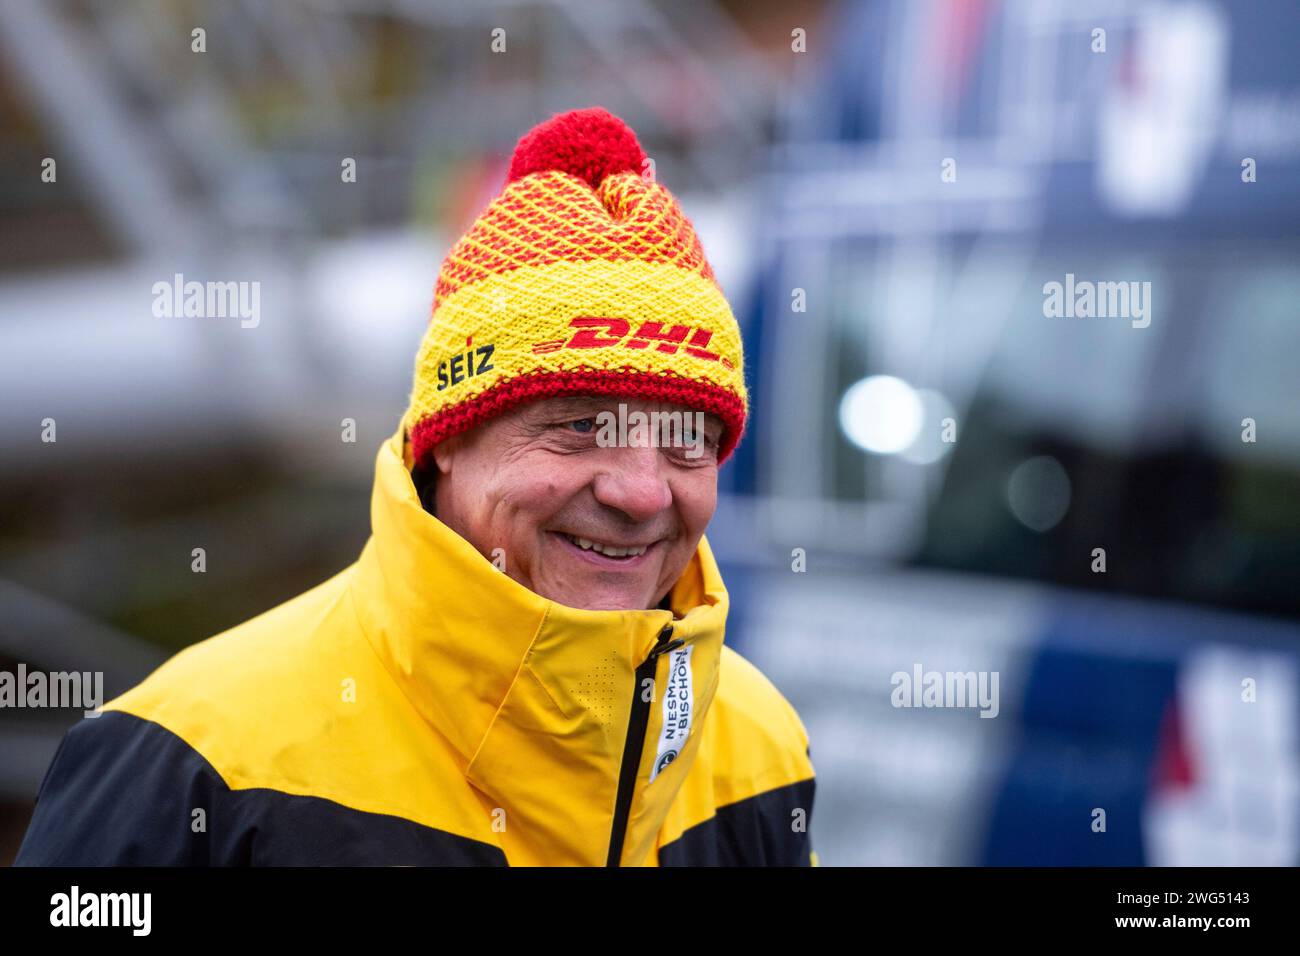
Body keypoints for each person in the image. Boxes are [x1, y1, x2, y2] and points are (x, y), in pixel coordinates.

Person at [15, 107, 817, 866]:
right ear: (447, 441)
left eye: (688, 441)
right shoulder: (182, 759)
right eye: (578, 426)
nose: (642, 492)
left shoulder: (759, 747)